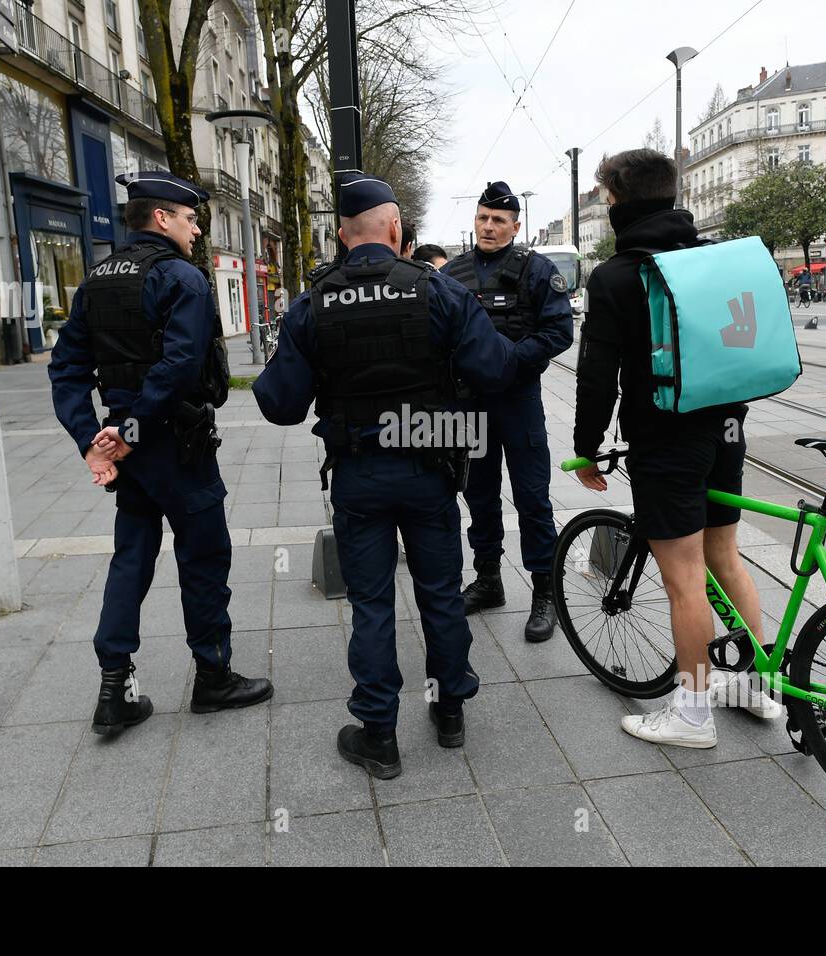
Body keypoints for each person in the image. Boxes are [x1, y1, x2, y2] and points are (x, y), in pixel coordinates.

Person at [254, 172, 517, 780]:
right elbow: (494, 369)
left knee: (371, 603)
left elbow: (279, 403)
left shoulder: (314, 300)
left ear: (341, 234)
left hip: (359, 473)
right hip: (429, 467)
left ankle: (379, 735)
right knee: (440, 594)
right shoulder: (437, 290)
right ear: (396, 228)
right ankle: (449, 708)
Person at [572, 149, 783, 750]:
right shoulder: (710, 258)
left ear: (619, 202)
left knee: (684, 577)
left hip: (666, 441)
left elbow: (596, 375)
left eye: (608, 198)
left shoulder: (617, 275)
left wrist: (588, 447)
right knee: (724, 557)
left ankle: (692, 713)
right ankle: (749, 679)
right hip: (728, 431)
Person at [49, 170, 273, 736]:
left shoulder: (95, 281)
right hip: (177, 441)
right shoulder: (181, 279)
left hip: (129, 454)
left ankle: (114, 689)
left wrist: (93, 443)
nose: (198, 230)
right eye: (192, 219)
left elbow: (67, 370)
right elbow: (178, 366)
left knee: (132, 559)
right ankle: (213, 678)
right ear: (162, 218)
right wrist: (131, 429)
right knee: (203, 558)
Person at [442, 181, 574, 643]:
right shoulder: (452, 273)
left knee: (533, 498)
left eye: (499, 220)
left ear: (516, 226)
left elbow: (559, 331)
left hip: (518, 401)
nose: (489, 226)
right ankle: (489, 579)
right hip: (470, 405)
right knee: (478, 495)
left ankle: (545, 593)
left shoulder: (537, 271)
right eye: (483, 218)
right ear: (474, 220)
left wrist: (510, 360)